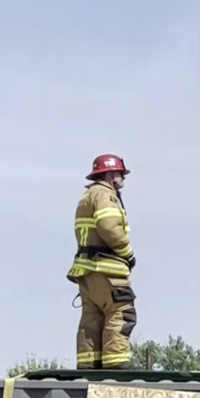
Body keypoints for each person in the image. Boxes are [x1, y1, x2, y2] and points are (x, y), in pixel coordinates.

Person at [69, 154, 138, 369]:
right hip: (108, 269)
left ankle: (89, 366)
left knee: (92, 320)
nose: (122, 178)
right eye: (119, 174)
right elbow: (108, 227)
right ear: (109, 174)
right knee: (120, 312)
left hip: (87, 272)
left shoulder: (87, 196)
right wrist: (128, 253)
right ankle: (116, 365)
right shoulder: (105, 195)